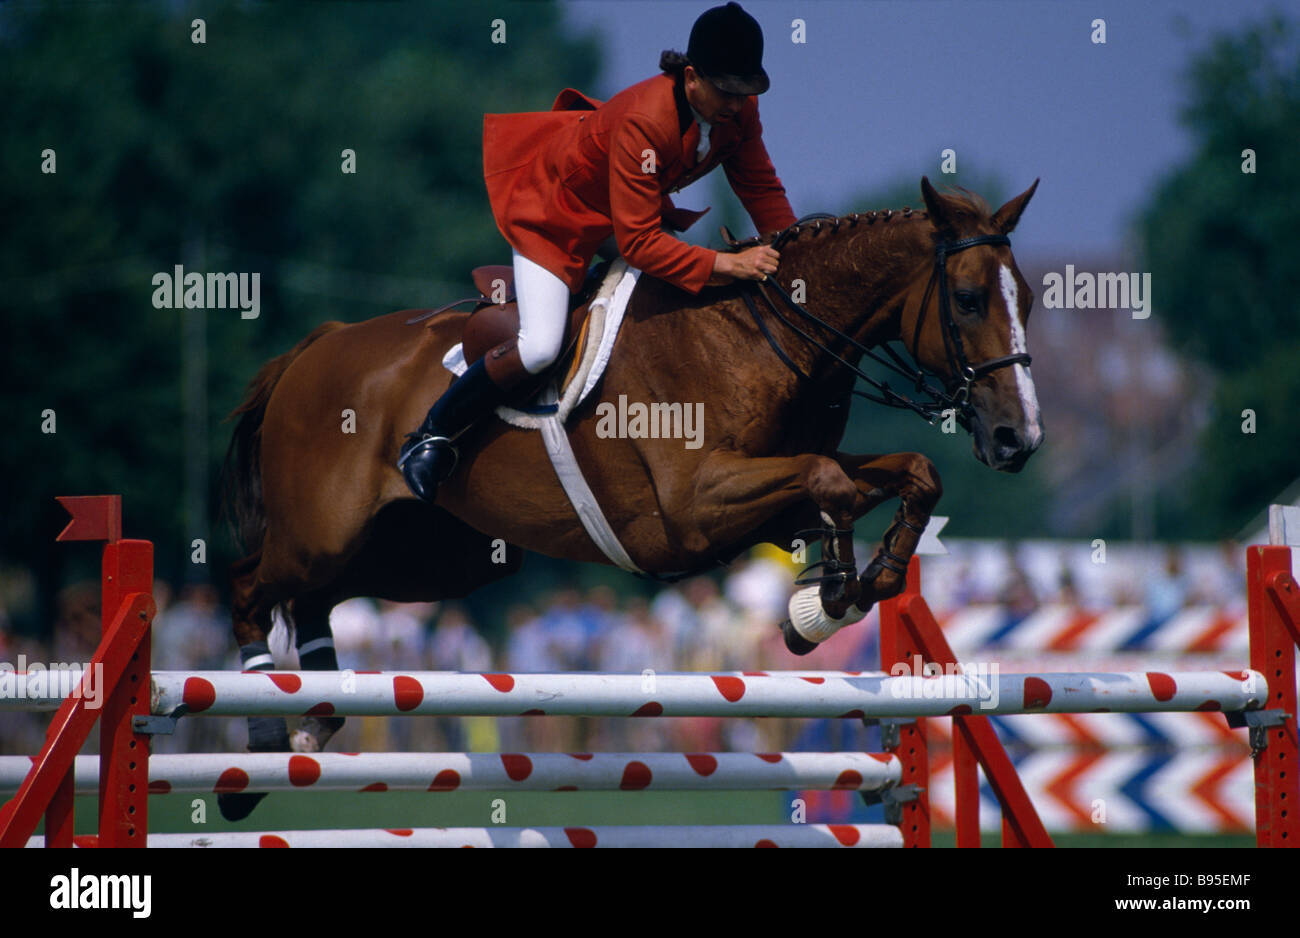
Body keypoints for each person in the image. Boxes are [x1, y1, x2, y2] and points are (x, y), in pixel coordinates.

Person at [399, 1, 797, 501]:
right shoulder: (644, 120)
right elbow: (639, 244)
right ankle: (430, 434)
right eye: (727, 91)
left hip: (618, 211)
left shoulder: (735, 109)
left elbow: (760, 187)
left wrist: (794, 255)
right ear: (691, 77)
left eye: (746, 92)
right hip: (555, 216)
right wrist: (726, 262)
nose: (737, 103)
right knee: (542, 345)